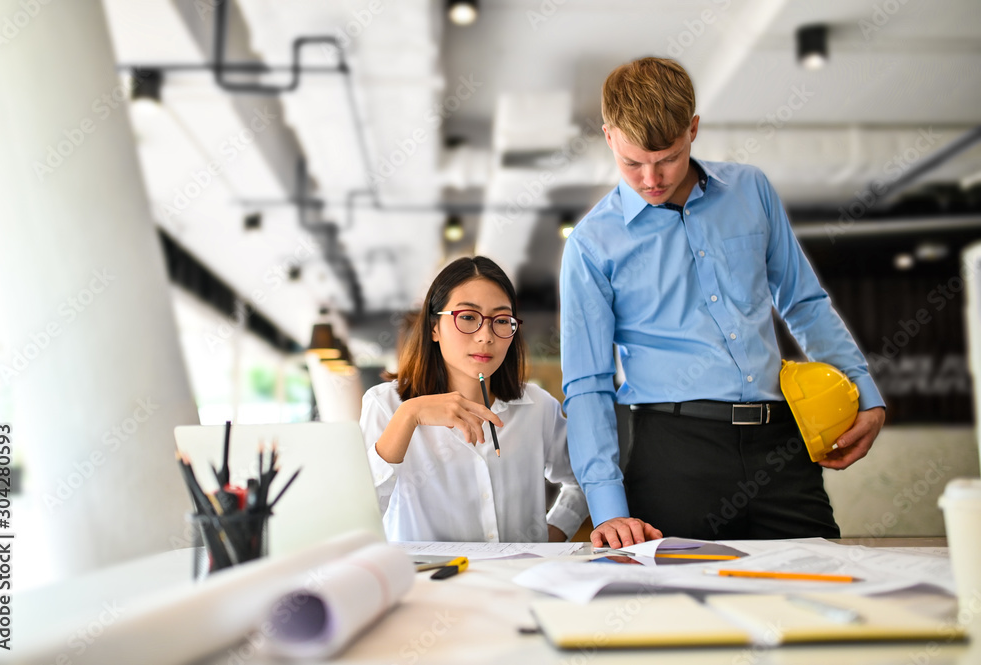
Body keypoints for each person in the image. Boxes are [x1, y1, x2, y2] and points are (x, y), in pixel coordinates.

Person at [560, 57, 886, 549]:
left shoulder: (751, 190)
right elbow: (588, 384)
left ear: (693, 130)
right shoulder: (592, 244)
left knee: (819, 585)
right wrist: (607, 508)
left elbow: (803, 301)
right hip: (672, 451)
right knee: (680, 613)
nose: (651, 178)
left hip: (780, 443)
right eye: (632, 163)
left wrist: (864, 390)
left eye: (666, 158)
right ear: (609, 138)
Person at [361, 256, 589, 542]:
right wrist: (410, 415)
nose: (485, 336)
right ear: (434, 327)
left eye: (502, 320)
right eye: (468, 317)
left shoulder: (538, 406)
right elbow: (360, 516)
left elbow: (584, 480)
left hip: (515, 582)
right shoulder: (386, 405)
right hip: (430, 582)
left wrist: (552, 534)